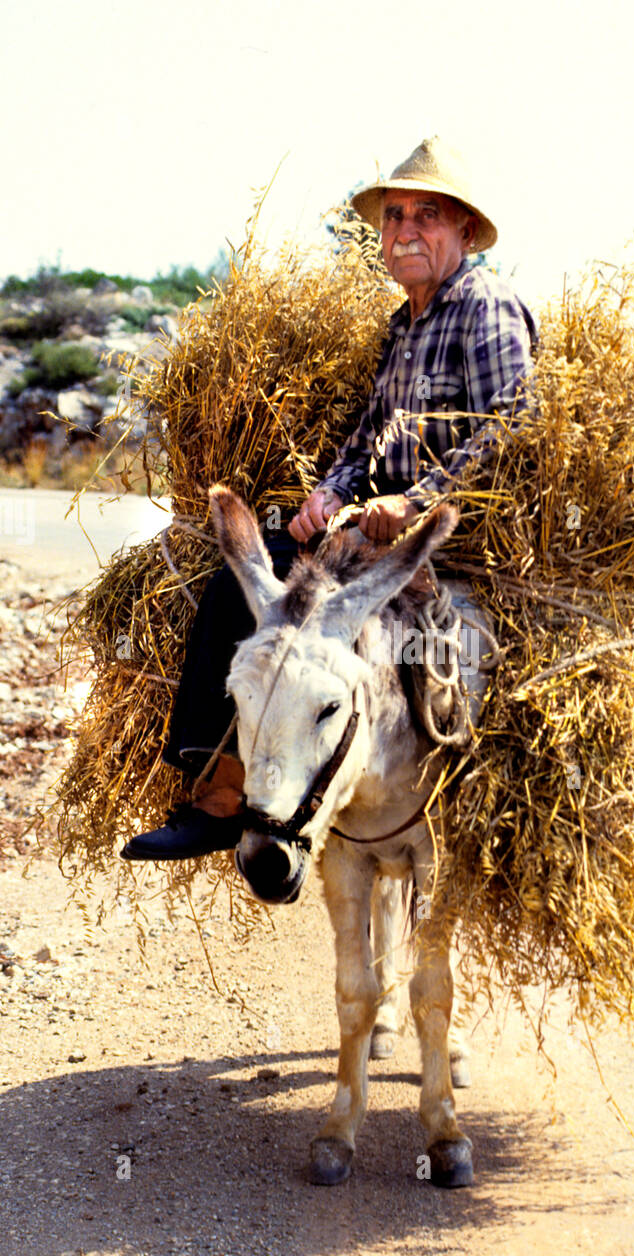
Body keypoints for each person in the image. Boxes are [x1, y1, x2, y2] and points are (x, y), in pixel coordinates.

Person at [121, 136, 537, 861]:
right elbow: (366, 441)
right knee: (238, 584)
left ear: (464, 230)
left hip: (451, 534)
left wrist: (418, 502)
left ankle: (455, 820)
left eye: (427, 215)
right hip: (369, 534)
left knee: (421, 657)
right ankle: (218, 790)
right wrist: (329, 492)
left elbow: (511, 429)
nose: (404, 229)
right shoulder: (401, 327)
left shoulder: (487, 309)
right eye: (394, 216)